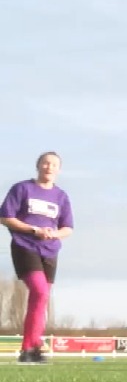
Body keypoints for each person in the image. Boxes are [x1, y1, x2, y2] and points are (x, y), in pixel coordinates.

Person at [0, 152, 74, 364]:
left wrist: (53, 234)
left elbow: (67, 228)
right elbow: (5, 217)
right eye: (45, 163)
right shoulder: (22, 188)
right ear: (38, 166)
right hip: (25, 246)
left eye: (54, 164)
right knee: (40, 291)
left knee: (41, 299)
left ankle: (32, 348)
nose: (49, 167)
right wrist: (34, 230)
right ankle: (30, 347)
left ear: (58, 169)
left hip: (50, 251)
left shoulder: (61, 196)